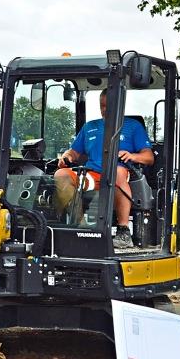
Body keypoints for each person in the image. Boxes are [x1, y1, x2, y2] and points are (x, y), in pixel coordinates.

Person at [54, 89, 154, 248]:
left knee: (117, 172)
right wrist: (67, 156)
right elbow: (74, 152)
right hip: (92, 174)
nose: (105, 109)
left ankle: (123, 232)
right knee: (61, 175)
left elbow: (149, 157)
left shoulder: (133, 126)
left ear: (120, 106)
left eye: (110, 106)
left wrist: (132, 156)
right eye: (102, 106)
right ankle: (81, 227)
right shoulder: (90, 127)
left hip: (120, 172)